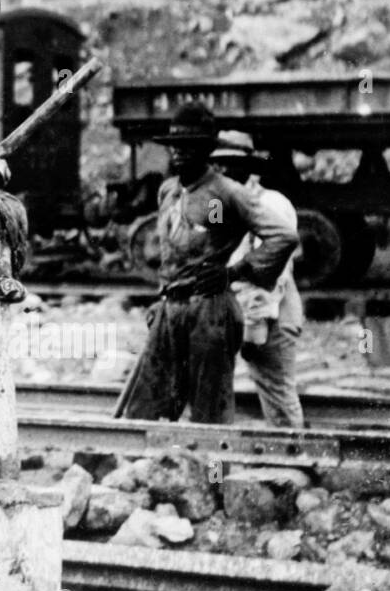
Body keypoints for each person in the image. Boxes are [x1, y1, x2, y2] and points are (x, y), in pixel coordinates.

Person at [123, 104, 299, 425]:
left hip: (210, 310)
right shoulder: (168, 191)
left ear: (206, 149)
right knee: (148, 404)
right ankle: (148, 469)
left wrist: (235, 271)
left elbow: (283, 236)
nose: (180, 153)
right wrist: (161, 298)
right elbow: (171, 252)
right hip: (170, 307)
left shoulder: (228, 193)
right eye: (175, 145)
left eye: (190, 146)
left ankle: (213, 474)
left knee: (209, 408)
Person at [211, 131, 305, 428]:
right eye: (218, 165)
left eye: (229, 165)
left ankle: (294, 462)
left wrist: (255, 329)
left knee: (276, 390)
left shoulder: (268, 205)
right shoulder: (233, 205)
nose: (222, 172)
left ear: (248, 168)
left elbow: (268, 274)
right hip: (251, 312)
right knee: (268, 385)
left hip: (271, 314)